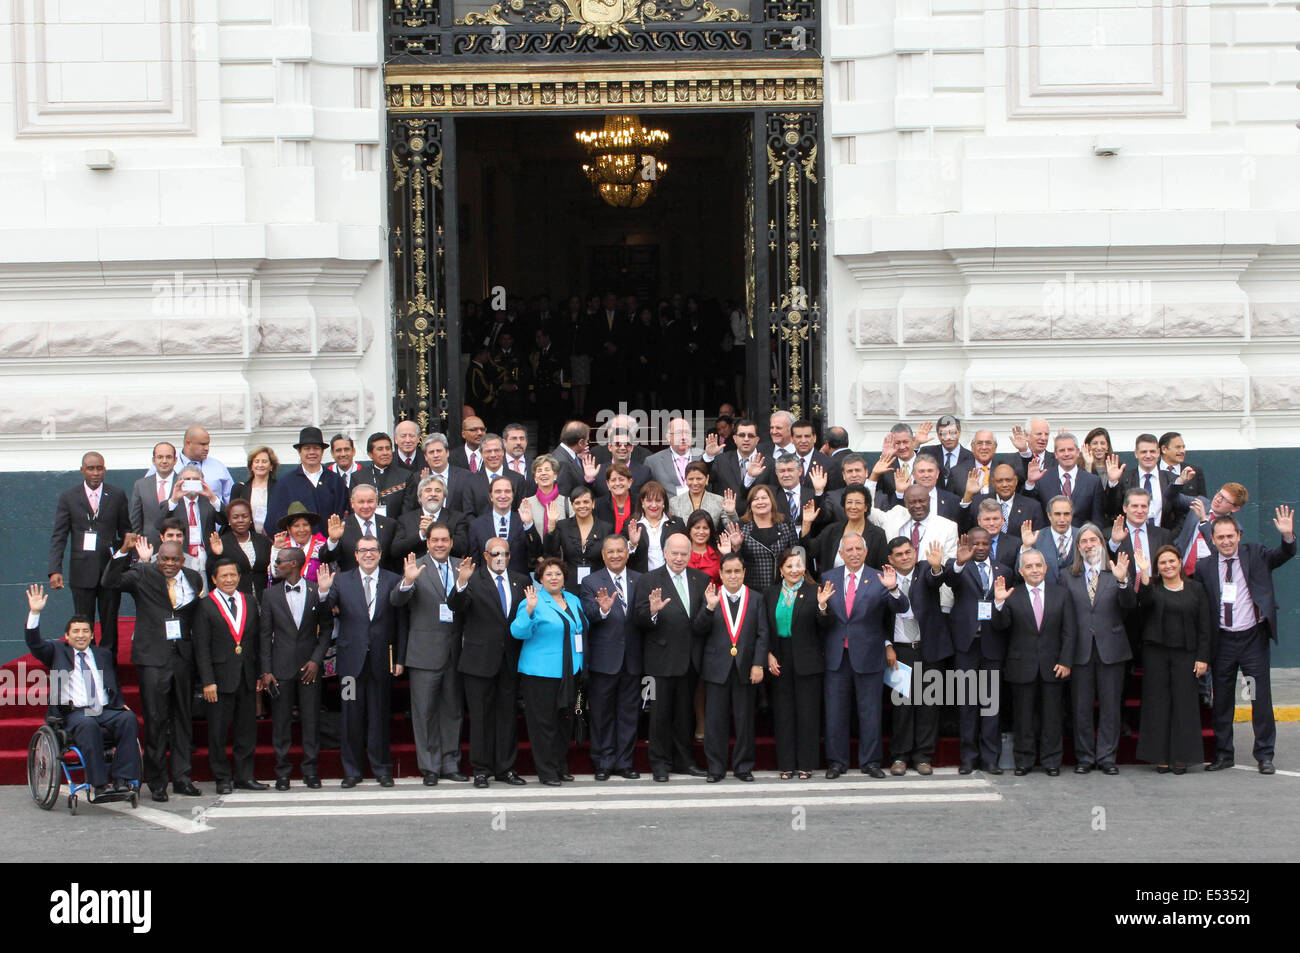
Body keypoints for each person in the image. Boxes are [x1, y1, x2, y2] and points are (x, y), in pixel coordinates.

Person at [1194, 507, 1295, 774]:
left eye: (1231, 536)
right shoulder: (1205, 566)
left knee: (1258, 697)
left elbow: (1284, 554)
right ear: (1213, 540)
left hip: (1252, 640)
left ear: (1239, 536)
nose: (1226, 541)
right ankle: (1224, 754)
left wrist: (1287, 537)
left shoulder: (1257, 555)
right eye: (1221, 537)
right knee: (1223, 699)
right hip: (1223, 642)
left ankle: (1264, 755)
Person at [101, 537, 203, 801]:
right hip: (152, 658)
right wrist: (123, 552)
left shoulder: (194, 579)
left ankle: (182, 778)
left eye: (174, 560)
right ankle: (157, 782)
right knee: (156, 720)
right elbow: (110, 582)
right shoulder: (143, 574)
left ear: (183, 560)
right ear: (157, 559)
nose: (169, 564)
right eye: (164, 559)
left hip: (182, 657)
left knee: (183, 719)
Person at [23, 584, 140, 799]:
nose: (81, 635)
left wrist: (119, 702)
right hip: (74, 712)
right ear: (66, 636)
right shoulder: (56, 651)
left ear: (91, 635)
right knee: (88, 724)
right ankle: (100, 784)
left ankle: (122, 779)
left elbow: (112, 683)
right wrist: (35, 612)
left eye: (85, 631)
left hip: (103, 708)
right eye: (75, 631)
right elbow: (34, 643)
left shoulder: (102, 654)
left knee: (128, 719)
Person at [317, 534, 406, 788]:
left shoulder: (393, 579)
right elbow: (324, 613)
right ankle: (352, 771)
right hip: (349, 665)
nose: (368, 554)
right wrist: (323, 592)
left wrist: (399, 657)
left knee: (379, 717)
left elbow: (401, 622)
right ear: (355, 555)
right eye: (363, 550)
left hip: (381, 662)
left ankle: (382, 769)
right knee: (350, 717)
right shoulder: (341, 580)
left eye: (373, 550)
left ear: (380, 553)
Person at [818, 532, 908, 778]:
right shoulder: (828, 578)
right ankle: (837, 762)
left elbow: (900, 609)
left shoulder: (878, 578)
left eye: (859, 548)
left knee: (870, 712)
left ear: (866, 551)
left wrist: (894, 589)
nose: (855, 553)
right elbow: (821, 621)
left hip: (869, 654)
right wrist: (822, 607)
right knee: (836, 711)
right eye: (849, 549)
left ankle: (870, 762)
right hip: (837, 656)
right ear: (841, 553)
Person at [448, 537, 531, 787]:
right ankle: (481, 769)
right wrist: (460, 582)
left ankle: (506, 768)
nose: (500, 558)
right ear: (485, 556)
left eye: (504, 553)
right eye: (495, 554)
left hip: (510, 660)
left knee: (507, 716)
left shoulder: (521, 581)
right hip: (479, 661)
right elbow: (456, 606)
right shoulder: (472, 578)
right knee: (481, 717)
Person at [390, 531, 469, 784]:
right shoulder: (417, 566)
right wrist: (407, 582)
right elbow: (396, 600)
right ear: (428, 543)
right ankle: (430, 767)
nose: (440, 544)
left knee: (452, 711)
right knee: (424, 713)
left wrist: (464, 583)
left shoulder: (462, 567)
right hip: (424, 652)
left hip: (455, 651)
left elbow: (469, 604)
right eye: (435, 540)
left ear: (451, 543)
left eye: (445, 540)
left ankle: (450, 763)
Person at [634, 533, 713, 782]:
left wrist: (710, 608)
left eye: (684, 553)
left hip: (690, 660)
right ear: (665, 553)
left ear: (690, 555)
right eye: (674, 553)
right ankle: (659, 763)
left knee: (683, 715)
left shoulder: (700, 579)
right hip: (660, 661)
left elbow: (701, 623)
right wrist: (653, 612)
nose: (679, 558)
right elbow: (638, 618)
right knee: (659, 715)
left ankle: (685, 761)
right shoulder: (649, 580)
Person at [991, 548, 1076, 776]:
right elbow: (1001, 626)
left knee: (1052, 717)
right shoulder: (1012, 594)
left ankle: (1051, 761)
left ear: (1046, 568)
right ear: (1021, 571)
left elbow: (1069, 631)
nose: (1035, 570)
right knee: (1023, 717)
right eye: (1029, 566)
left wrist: (1066, 660)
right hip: (1022, 665)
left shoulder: (1061, 594)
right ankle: (1024, 761)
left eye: (1038, 565)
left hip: (1054, 665)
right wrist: (998, 604)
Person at [1060, 526, 1134, 774]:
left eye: (1094, 540)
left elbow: (1129, 607)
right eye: (1084, 541)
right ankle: (1085, 758)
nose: (1089, 544)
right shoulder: (1067, 576)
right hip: (1080, 650)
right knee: (1081, 707)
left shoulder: (1116, 572)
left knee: (1111, 707)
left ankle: (1106, 757)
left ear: (1102, 543)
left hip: (1111, 649)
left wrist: (1123, 581)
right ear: (1078, 547)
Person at [1134, 544, 1212, 773]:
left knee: (1184, 705)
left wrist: (1203, 657)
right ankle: (1160, 756)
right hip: (1156, 654)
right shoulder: (1153, 588)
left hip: (1186, 655)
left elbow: (1205, 626)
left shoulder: (1196, 589)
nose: (1167, 566)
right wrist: (1145, 576)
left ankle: (1182, 757)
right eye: (1163, 563)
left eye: (1171, 561)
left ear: (1180, 562)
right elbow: (1142, 606)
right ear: (1157, 567)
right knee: (1157, 704)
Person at [258, 546, 332, 790]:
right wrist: (266, 670)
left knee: (311, 721)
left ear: (293, 564)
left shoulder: (315, 591)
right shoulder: (270, 595)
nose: (276, 565)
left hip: (309, 666)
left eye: (279, 561)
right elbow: (265, 634)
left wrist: (316, 660)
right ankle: (282, 773)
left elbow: (327, 629)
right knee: (280, 723)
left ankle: (311, 771)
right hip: (280, 667)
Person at [941, 528, 1012, 774]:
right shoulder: (959, 566)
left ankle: (990, 758)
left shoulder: (1004, 570)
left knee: (991, 704)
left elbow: (1006, 610)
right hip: (966, 645)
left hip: (992, 644)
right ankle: (969, 757)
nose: (980, 547)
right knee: (967, 704)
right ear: (969, 544)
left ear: (991, 544)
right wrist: (960, 561)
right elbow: (950, 579)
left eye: (985, 543)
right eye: (976, 543)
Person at [511, 558, 587, 785]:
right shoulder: (533, 600)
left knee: (564, 722)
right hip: (540, 673)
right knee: (543, 724)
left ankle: (560, 766)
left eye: (558, 574)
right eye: (548, 575)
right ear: (540, 579)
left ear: (564, 578)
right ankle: (546, 772)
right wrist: (530, 611)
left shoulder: (573, 599)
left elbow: (580, 630)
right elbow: (517, 632)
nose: (554, 578)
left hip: (571, 670)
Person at [49, 451, 131, 660]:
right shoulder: (69, 497)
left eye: (99, 468)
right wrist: (54, 569)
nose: (95, 473)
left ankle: (108, 663)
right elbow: (59, 535)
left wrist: (125, 566)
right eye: (90, 468)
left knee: (109, 621)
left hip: (109, 570)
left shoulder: (117, 494)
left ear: (105, 469)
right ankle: (86, 661)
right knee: (83, 621)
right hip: (81, 570)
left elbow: (125, 532)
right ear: (82, 470)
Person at [194, 559, 266, 794]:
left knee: (247, 730)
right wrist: (207, 681)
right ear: (214, 579)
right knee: (218, 731)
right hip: (219, 679)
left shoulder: (249, 600)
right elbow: (201, 647)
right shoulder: (205, 605)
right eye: (223, 576)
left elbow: (255, 641)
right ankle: (222, 778)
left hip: (245, 675)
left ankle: (245, 776)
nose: (229, 579)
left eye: (233, 575)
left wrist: (258, 673)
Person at [700, 553, 768, 782]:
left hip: (746, 668)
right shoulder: (712, 596)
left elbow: (762, 634)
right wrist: (709, 609)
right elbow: (698, 630)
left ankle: (742, 767)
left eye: (737, 571)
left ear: (744, 573)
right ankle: (716, 768)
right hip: (716, 668)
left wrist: (758, 663)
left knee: (744, 721)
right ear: (720, 574)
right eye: (728, 571)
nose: (732, 576)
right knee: (715, 722)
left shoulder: (756, 598)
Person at [580, 535, 642, 780]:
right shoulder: (590, 581)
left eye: (620, 550)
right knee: (602, 714)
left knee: (628, 713)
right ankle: (604, 762)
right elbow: (588, 615)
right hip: (604, 659)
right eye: (611, 552)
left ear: (627, 553)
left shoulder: (640, 579)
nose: (616, 555)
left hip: (633, 658)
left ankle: (625, 762)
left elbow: (644, 616)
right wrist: (602, 610)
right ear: (603, 555)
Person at [890, 538, 954, 775]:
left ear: (915, 552)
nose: (905, 557)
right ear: (891, 559)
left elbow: (934, 580)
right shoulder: (886, 578)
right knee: (902, 706)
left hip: (929, 648)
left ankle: (923, 756)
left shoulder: (926, 568)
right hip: (901, 650)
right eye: (899, 554)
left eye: (908, 552)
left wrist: (938, 568)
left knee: (928, 704)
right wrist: (887, 645)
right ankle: (900, 757)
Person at [764, 548, 824, 779]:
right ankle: (786, 764)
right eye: (789, 566)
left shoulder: (815, 591)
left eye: (798, 566)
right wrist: (768, 654)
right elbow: (765, 628)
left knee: (807, 713)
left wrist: (822, 607)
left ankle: (806, 763)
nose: (794, 570)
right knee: (784, 713)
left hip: (807, 659)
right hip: (779, 657)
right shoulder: (770, 593)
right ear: (781, 570)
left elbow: (825, 626)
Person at [265, 427, 348, 537]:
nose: (312, 452)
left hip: (331, 547)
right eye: (307, 448)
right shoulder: (285, 484)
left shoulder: (336, 481)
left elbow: (344, 515)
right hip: (296, 550)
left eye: (316, 448)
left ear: (322, 451)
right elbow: (274, 520)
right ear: (299, 451)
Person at [724, 483, 803, 588]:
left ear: (772, 502)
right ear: (750, 505)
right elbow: (737, 563)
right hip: (753, 588)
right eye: (755, 499)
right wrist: (737, 547)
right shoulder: (743, 527)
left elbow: (796, 553)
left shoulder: (785, 524)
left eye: (764, 498)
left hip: (782, 587)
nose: (760, 502)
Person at [467, 475, 542, 577]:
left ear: (513, 495)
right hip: (487, 586)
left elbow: (536, 553)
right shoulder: (477, 525)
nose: (503, 496)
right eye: (498, 491)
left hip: (519, 585)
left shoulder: (523, 521)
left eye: (507, 491)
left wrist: (529, 525)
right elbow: (475, 561)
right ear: (491, 496)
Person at [1022, 432, 1103, 527]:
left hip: (1081, 539)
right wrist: (1030, 483)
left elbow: (1097, 520)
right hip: (1050, 539)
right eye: (1062, 450)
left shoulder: (1093, 482)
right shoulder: (1043, 478)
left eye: (1070, 449)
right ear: (1056, 454)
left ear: (1077, 452)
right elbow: (1029, 509)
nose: (1066, 454)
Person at [543, 485, 610, 592]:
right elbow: (550, 553)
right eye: (577, 503)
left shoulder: (606, 528)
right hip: (570, 584)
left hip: (599, 584)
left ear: (593, 503)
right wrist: (551, 527)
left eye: (586, 502)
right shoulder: (563, 526)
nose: (582, 506)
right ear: (572, 505)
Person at [812, 484, 888, 575]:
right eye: (849, 502)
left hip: (867, 587)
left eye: (858, 502)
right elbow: (811, 551)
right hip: (833, 586)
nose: (853, 507)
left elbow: (882, 569)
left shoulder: (878, 535)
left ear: (866, 507)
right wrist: (806, 523)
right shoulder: (832, 530)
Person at [320, 484, 398, 573]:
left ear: (377, 502)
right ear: (352, 503)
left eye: (370, 501)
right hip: (351, 582)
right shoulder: (340, 526)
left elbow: (395, 557)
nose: (366, 506)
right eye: (361, 502)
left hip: (384, 582)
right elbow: (325, 559)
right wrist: (333, 540)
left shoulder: (390, 524)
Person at [392, 474, 470, 561]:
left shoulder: (458, 518)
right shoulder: (405, 520)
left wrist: (433, 527)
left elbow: (462, 548)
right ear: (419, 497)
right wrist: (421, 535)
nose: (433, 494)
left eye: (438, 491)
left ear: (444, 497)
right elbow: (396, 551)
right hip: (415, 570)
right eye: (428, 490)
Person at [205, 498, 271, 599]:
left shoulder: (263, 541)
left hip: (263, 597)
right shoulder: (221, 543)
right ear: (229, 520)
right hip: (235, 599)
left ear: (251, 518)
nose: (240, 520)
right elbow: (211, 572)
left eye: (244, 516)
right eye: (235, 517)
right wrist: (216, 554)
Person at [707, 418, 768, 515]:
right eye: (742, 435)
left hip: (760, 520)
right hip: (728, 520)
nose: (746, 439)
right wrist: (709, 457)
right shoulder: (722, 460)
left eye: (751, 436)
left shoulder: (768, 463)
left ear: (757, 440)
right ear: (735, 439)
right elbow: (706, 479)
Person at [459, 432, 526, 518]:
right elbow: (468, 514)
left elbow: (520, 512)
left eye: (496, 450)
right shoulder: (470, 481)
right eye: (488, 451)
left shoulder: (518, 479)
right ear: (481, 454)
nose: (493, 455)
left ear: (503, 452)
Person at [627, 481, 686, 574]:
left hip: (671, 579)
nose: (654, 505)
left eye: (658, 500)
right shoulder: (632, 524)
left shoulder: (677, 523)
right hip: (642, 580)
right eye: (649, 500)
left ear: (664, 502)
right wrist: (632, 544)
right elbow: (622, 556)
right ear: (642, 502)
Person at [1020, 495, 1079, 584]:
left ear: (1072, 515)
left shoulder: (1083, 536)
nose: (1062, 519)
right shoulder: (1035, 538)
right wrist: (1026, 547)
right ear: (1049, 515)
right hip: (1046, 595)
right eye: (1057, 514)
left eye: (1066, 514)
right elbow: (1019, 572)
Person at [130, 441, 179, 545]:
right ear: (154, 460)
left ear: (175, 460)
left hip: (178, 545)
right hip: (149, 546)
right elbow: (136, 521)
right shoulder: (141, 485)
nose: (164, 461)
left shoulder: (183, 483)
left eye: (168, 457)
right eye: (160, 457)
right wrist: (138, 546)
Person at [357, 431, 414, 519]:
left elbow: (407, 511)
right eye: (380, 449)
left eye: (388, 448)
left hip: (396, 529)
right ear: (370, 454)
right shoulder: (358, 477)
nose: (385, 453)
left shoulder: (405, 476)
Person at [269, 502, 329, 584]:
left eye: (305, 525)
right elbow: (275, 574)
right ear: (289, 529)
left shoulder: (321, 545)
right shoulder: (282, 546)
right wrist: (276, 549)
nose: (302, 529)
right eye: (296, 526)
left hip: (316, 594)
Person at [174, 425, 234, 505]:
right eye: (202, 444)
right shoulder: (169, 466)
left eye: (208, 444)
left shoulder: (218, 467)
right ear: (188, 443)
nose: (207, 448)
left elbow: (230, 500)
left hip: (214, 515)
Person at [520, 454, 572, 543]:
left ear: (555, 475)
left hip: (561, 555)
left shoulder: (567, 503)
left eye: (547, 470)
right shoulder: (526, 504)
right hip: (535, 555)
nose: (543, 473)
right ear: (535, 478)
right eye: (539, 471)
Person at [645, 416, 702, 496]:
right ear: (668, 437)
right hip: (668, 506)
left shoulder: (703, 457)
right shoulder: (653, 461)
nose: (683, 437)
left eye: (687, 433)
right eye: (679, 433)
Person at [230, 446, 279, 536]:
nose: (260, 465)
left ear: (271, 466)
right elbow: (231, 516)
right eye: (256, 461)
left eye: (264, 461)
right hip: (247, 538)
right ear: (251, 466)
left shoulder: (280, 488)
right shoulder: (239, 488)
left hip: (273, 538)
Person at [669, 461, 729, 526]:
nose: (695, 483)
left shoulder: (719, 501)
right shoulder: (674, 502)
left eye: (699, 479)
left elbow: (732, 529)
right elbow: (671, 529)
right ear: (685, 479)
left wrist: (731, 513)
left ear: (707, 478)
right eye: (691, 479)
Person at [594, 462, 638, 534]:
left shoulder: (639, 502)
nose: (617, 483)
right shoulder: (598, 504)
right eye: (613, 480)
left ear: (630, 482)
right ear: (608, 484)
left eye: (621, 479)